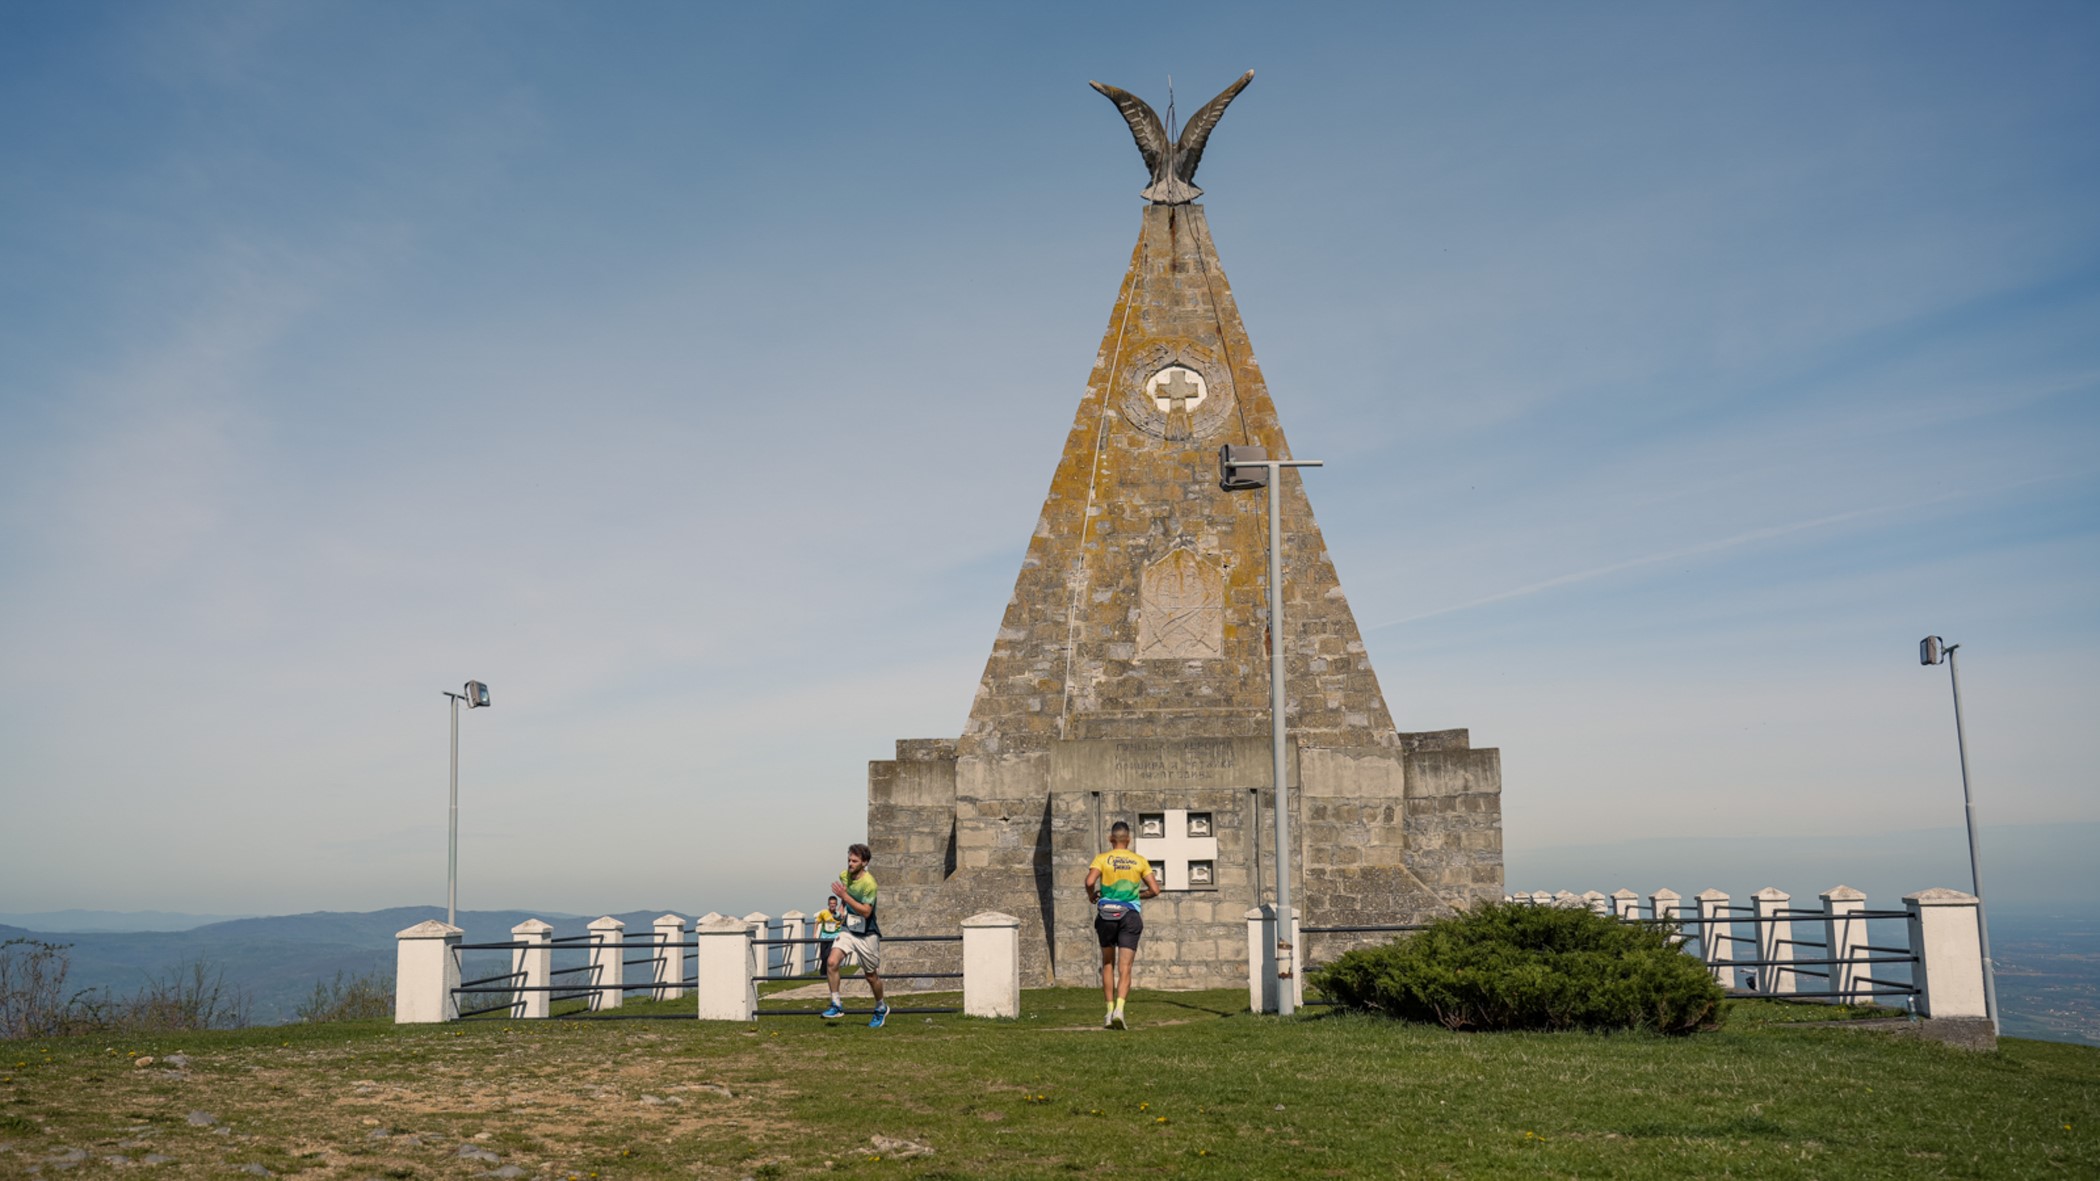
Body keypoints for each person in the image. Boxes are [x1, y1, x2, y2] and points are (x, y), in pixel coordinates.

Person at [1085, 820, 1159, 1029]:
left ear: (1111, 839)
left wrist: (1093, 897)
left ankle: (1108, 1012)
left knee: (1108, 962)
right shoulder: (1139, 860)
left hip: (1107, 914)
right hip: (1130, 915)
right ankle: (1120, 1009)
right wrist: (1138, 896)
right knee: (1125, 967)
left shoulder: (1102, 859)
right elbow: (1155, 889)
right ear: (1129, 840)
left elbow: (1090, 882)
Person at [822, 842, 887, 1028]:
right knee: (832, 962)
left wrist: (845, 897)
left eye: (854, 861)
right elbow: (845, 897)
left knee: (871, 976)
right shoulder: (844, 876)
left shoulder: (870, 884)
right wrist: (842, 910)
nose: (850, 864)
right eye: (849, 860)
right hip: (848, 929)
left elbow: (867, 912)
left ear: (864, 863)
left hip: (867, 933)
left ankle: (880, 1007)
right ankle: (836, 1004)